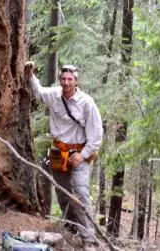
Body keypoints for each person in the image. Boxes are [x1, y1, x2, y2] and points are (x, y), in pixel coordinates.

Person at [26, 61, 103, 250]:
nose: (66, 83)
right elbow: (39, 92)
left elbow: (96, 135)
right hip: (57, 151)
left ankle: (89, 239)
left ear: (76, 81)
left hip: (79, 154)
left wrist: (83, 155)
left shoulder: (87, 103)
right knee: (62, 193)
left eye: (70, 79)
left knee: (80, 193)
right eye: (63, 79)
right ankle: (72, 226)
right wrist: (30, 75)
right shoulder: (54, 95)